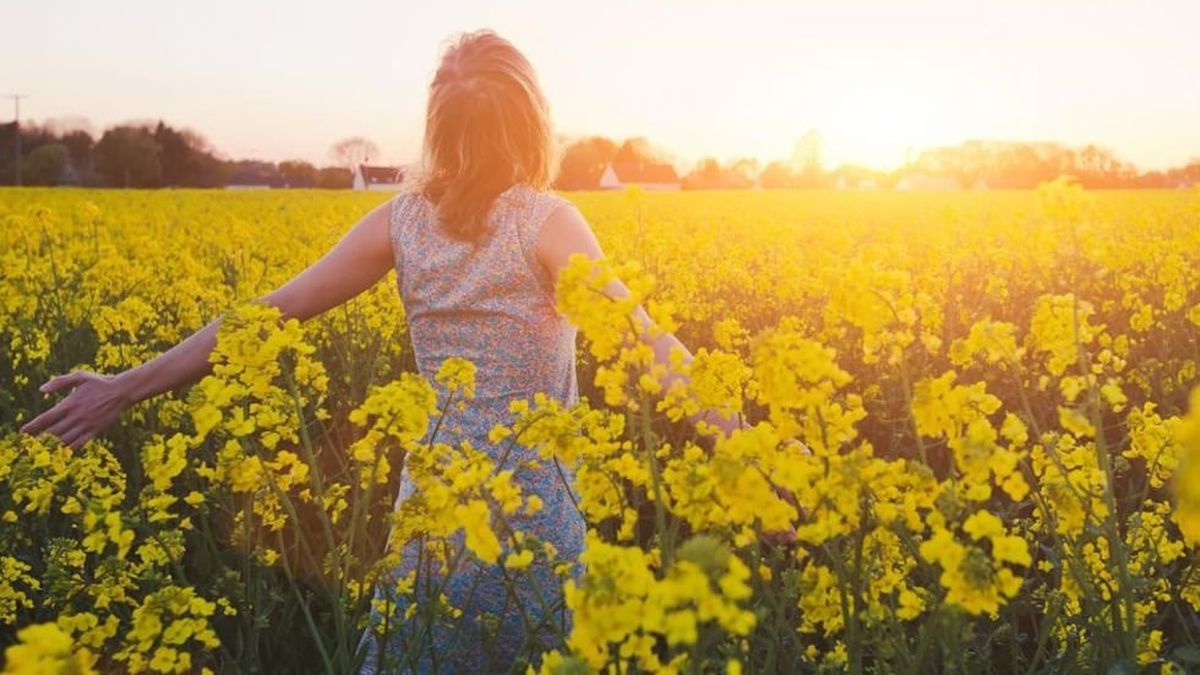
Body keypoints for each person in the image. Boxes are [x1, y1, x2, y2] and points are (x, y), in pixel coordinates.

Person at [20, 29, 738, 673]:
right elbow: (648, 341)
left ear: (438, 124)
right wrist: (742, 452)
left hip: (432, 516)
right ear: (531, 121)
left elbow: (262, 315)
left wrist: (126, 385)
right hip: (532, 524)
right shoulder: (550, 222)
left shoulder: (401, 223)